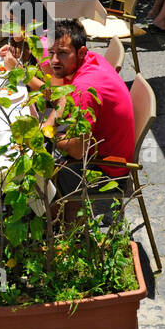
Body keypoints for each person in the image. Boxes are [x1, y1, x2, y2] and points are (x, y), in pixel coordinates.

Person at [38, 20, 135, 199]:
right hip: (103, 150)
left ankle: (63, 222)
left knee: (38, 175)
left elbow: (76, 150)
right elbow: (64, 98)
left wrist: (47, 133)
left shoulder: (84, 89)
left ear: (80, 52)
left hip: (107, 171)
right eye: (51, 53)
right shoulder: (92, 59)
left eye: (62, 53)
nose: (54, 61)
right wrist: (48, 123)